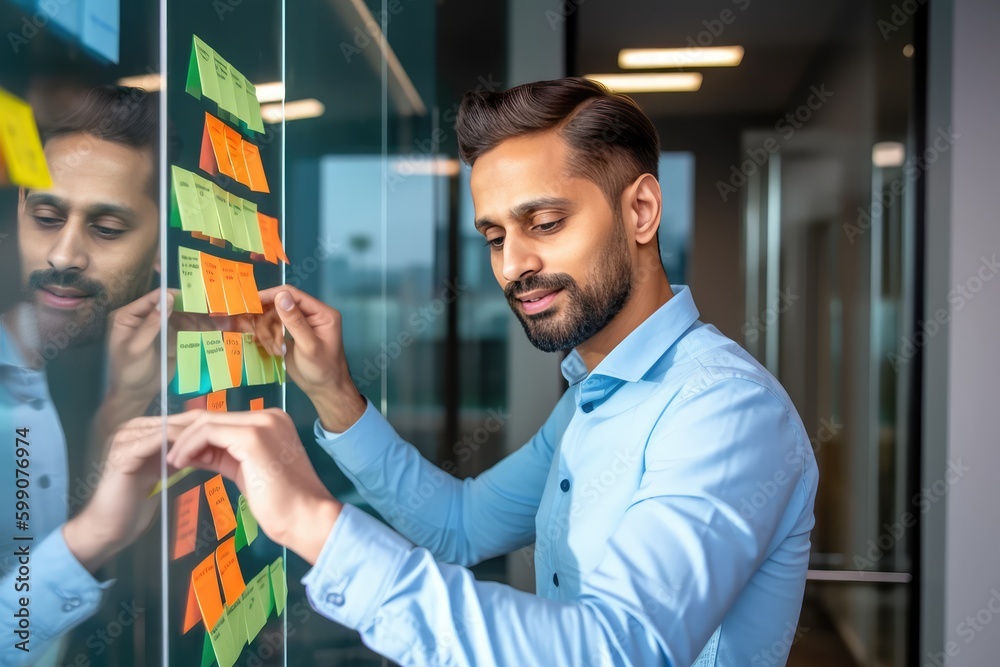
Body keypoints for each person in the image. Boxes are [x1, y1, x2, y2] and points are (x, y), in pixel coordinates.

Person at [164, 77, 819, 666]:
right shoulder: (594, 397)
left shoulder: (724, 410)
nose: (512, 266)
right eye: (496, 236)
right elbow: (462, 524)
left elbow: (621, 650)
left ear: (641, 211)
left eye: (546, 222)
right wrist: (332, 390)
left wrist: (309, 520)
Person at [0, 86, 175, 665]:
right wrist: (91, 538)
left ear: (160, 248)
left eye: (106, 229)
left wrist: (123, 407)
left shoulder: (136, 363)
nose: (63, 256)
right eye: (45, 217)